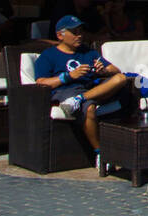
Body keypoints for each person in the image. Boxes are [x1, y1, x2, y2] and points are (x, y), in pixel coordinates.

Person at [33, 16, 129, 164]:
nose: (80, 35)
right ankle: (100, 154)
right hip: (65, 91)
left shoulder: (88, 52)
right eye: (74, 32)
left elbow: (115, 70)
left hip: (89, 90)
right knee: (89, 108)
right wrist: (68, 76)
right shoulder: (49, 55)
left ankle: (78, 100)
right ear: (60, 35)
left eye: (80, 31)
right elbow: (41, 82)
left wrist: (103, 70)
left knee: (121, 78)